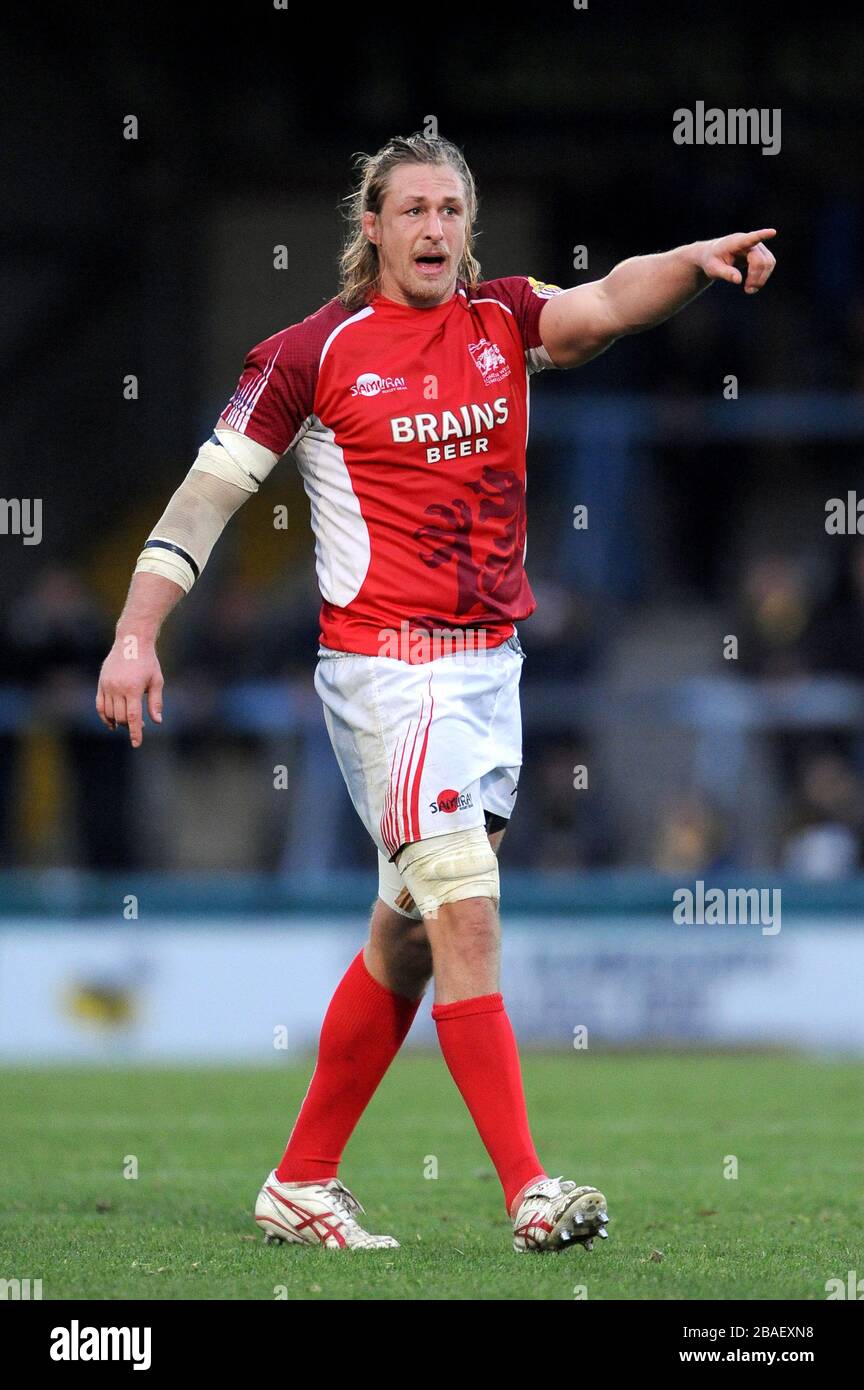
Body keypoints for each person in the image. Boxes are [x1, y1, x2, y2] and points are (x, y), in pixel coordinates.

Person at [96, 132, 776, 1253]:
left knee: (408, 935)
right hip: (389, 670)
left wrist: (692, 255)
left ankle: (301, 1181)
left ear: (469, 225)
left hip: (488, 671)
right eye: (409, 210)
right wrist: (133, 632)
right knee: (465, 906)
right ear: (370, 225)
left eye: (450, 211)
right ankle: (530, 1190)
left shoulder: (501, 318)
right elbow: (207, 498)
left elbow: (607, 302)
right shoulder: (310, 354)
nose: (432, 229)